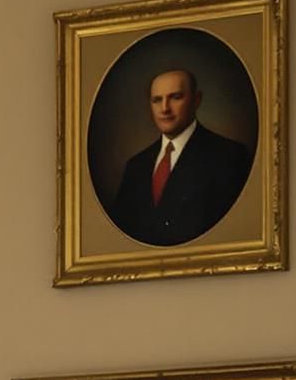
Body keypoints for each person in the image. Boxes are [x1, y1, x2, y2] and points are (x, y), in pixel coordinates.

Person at [107, 66, 254, 247]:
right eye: (157, 100)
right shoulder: (136, 166)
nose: (165, 108)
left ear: (196, 100)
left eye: (175, 97)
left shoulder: (229, 155)